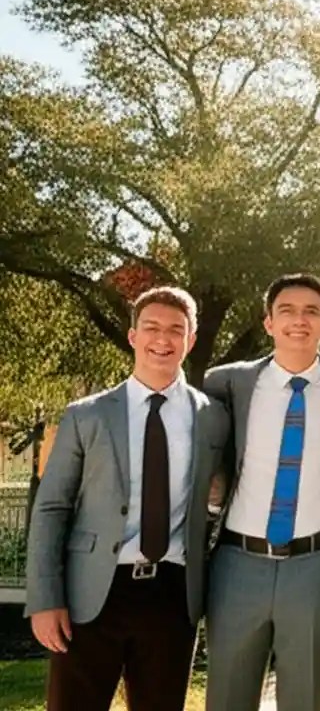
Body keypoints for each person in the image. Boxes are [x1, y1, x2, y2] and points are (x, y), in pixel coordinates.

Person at [25, 287, 230, 710]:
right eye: (152, 327)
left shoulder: (213, 416)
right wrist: (46, 599)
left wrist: (215, 502)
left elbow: (216, 501)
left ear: (190, 341)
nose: (163, 339)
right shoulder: (88, 414)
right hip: (92, 592)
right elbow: (51, 508)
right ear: (133, 335)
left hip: (172, 594)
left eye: (176, 330)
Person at [202, 273, 320, 711]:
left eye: (312, 312)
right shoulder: (226, 384)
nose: (300, 321)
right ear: (268, 323)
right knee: (227, 698)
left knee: (305, 699)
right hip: (237, 565)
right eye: (287, 311)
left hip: (316, 566)